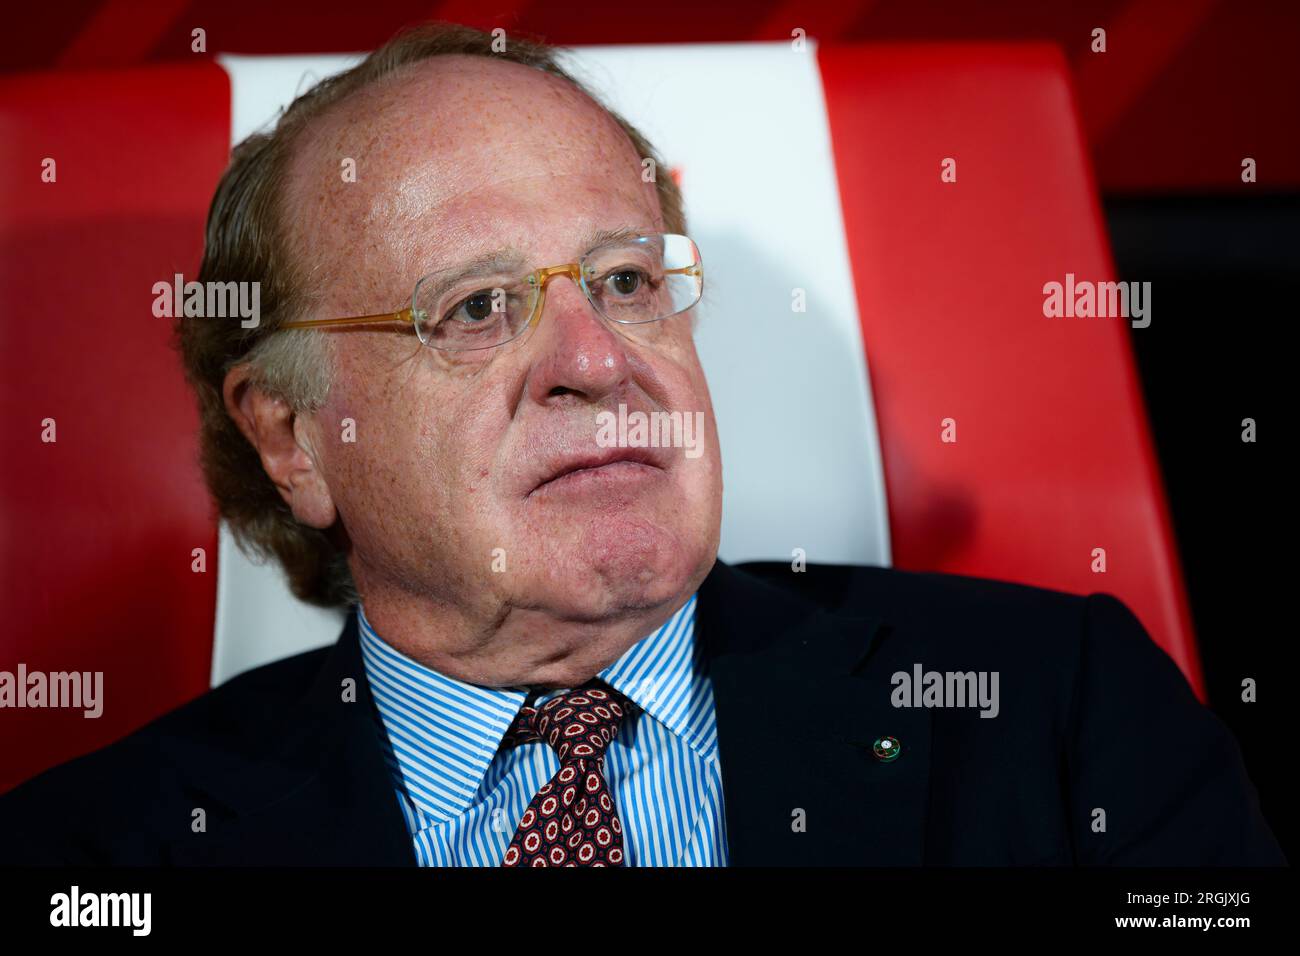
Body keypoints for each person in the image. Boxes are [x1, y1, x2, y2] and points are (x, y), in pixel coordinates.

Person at [0, 23, 1283, 866]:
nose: (598, 360)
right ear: (291, 440)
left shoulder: (1065, 719)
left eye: (625, 279)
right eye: (477, 307)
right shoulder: (95, 860)